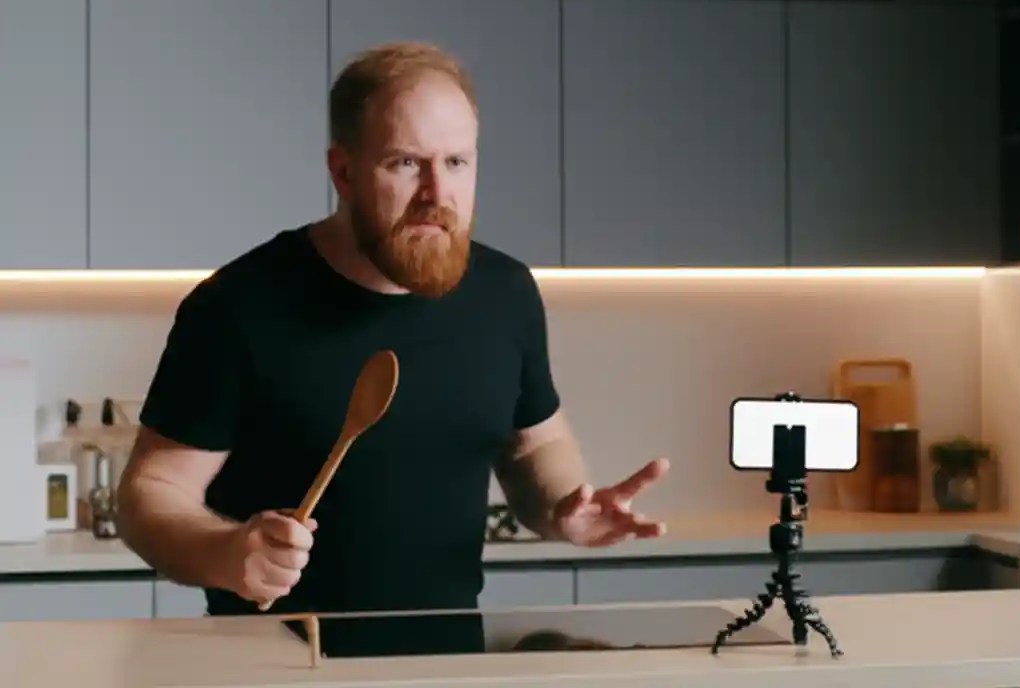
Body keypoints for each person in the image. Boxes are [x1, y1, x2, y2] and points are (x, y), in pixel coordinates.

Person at [115, 41, 671, 617]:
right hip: (277, 658)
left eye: (456, 163)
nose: (437, 194)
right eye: (406, 163)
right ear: (343, 171)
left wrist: (564, 508)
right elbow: (150, 494)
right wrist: (224, 553)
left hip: (447, 656)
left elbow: (537, 443)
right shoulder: (238, 306)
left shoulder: (505, 293)